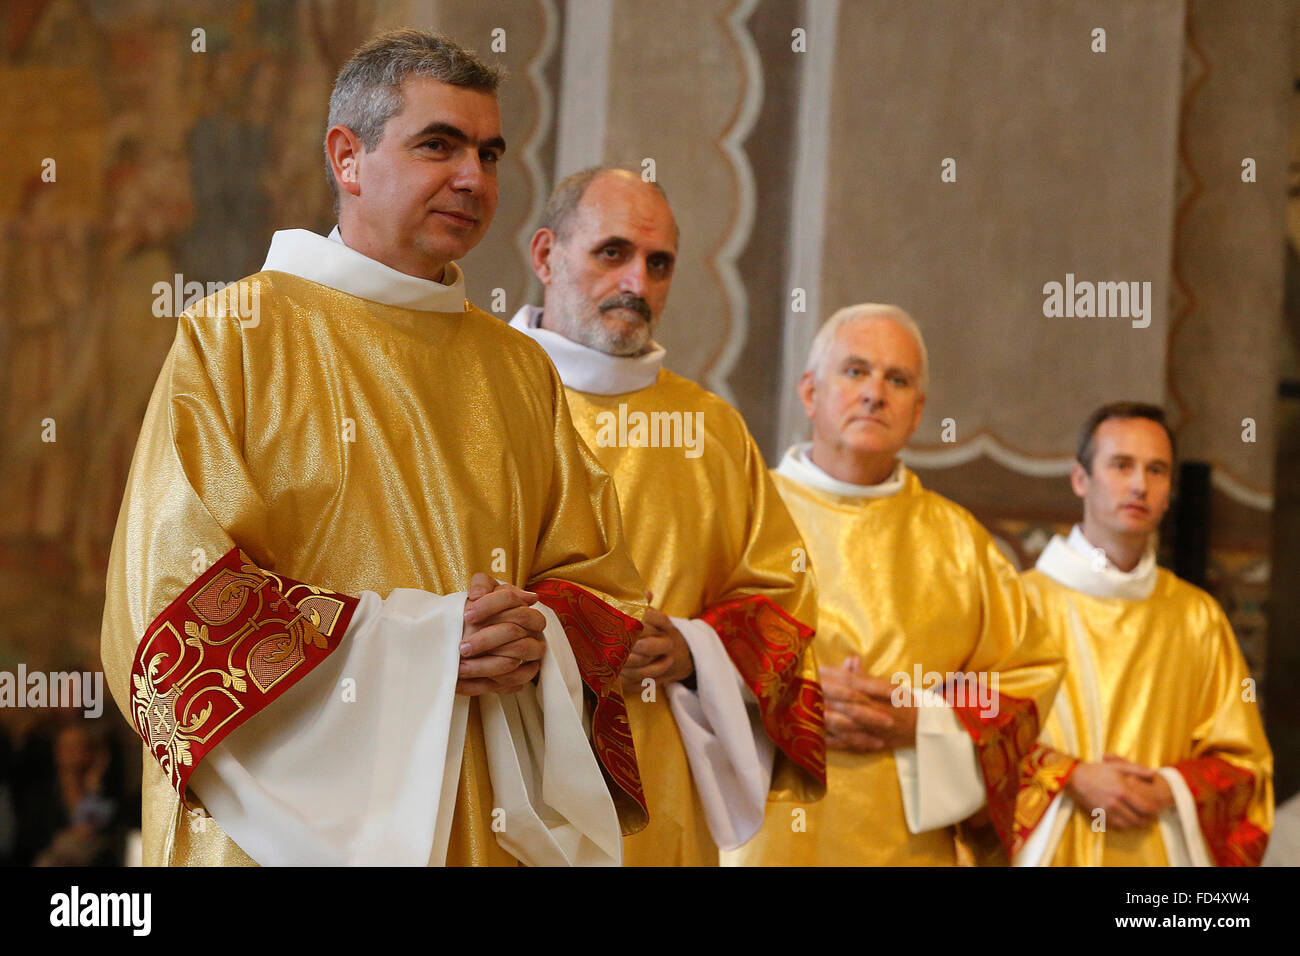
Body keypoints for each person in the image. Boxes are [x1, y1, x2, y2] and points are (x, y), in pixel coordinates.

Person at [101, 30, 650, 867]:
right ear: (347, 157)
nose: (474, 177)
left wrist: (540, 638)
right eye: (439, 145)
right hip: (279, 835)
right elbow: (167, 606)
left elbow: (595, 582)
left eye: (490, 154)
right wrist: (429, 648)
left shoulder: (516, 367)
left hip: (481, 814)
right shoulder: (238, 335)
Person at [509, 167, 824, 865]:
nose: (637, 284)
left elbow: (781, 602)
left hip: (661, 785)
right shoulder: (480, 393)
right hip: (507, 757)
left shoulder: (711, 429)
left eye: (659, 265)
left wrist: (691, 651)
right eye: (611, 253)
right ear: (544, 256)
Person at [729, 304, 1064, 866]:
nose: (875, 393)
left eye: (897, 379)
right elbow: (673, 652)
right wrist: (780, 693)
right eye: (855, 371)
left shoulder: (961, 544)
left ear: (917, 412)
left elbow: (1026, 681)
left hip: (904, 847)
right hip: (756, 837)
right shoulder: (740, 514)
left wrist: (926, 721)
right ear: (810, 393)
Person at [1013, 402, 1273, 866]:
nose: (1139, 485)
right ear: (1080, 479)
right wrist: (1071, 777)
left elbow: (1247, 766)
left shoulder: (1198, 618)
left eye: (1156, 470)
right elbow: (971, 741)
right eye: (1121, 465)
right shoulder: (1017, 606)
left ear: (1170, 490)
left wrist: (1171, 788)